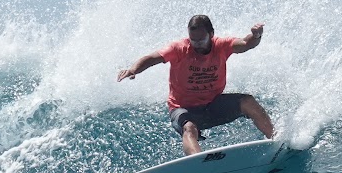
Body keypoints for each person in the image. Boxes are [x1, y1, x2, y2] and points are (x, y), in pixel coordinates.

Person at [117, 13, 277, 156]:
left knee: (248, 101)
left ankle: (277, 142)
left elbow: (245, 43)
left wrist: (256, 36)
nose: (196, 44)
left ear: (211, 34)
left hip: (213, 105)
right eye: (193, 40)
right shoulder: (179, 49)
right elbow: (152, 58)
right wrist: (133, 69)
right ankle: (198, 163)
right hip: (183, 108)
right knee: (189, 128)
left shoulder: (221, 46)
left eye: (201, 40)